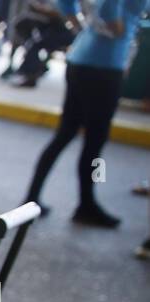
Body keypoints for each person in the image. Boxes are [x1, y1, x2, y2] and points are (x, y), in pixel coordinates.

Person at [23, 0, 149, 227]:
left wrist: (80, 23)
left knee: (65, 134)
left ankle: (32, 196)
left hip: (81, 57)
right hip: (105, 66)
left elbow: (66, 2)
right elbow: (111, 8)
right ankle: (87, 203)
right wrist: (117, 28)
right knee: (96, 142)